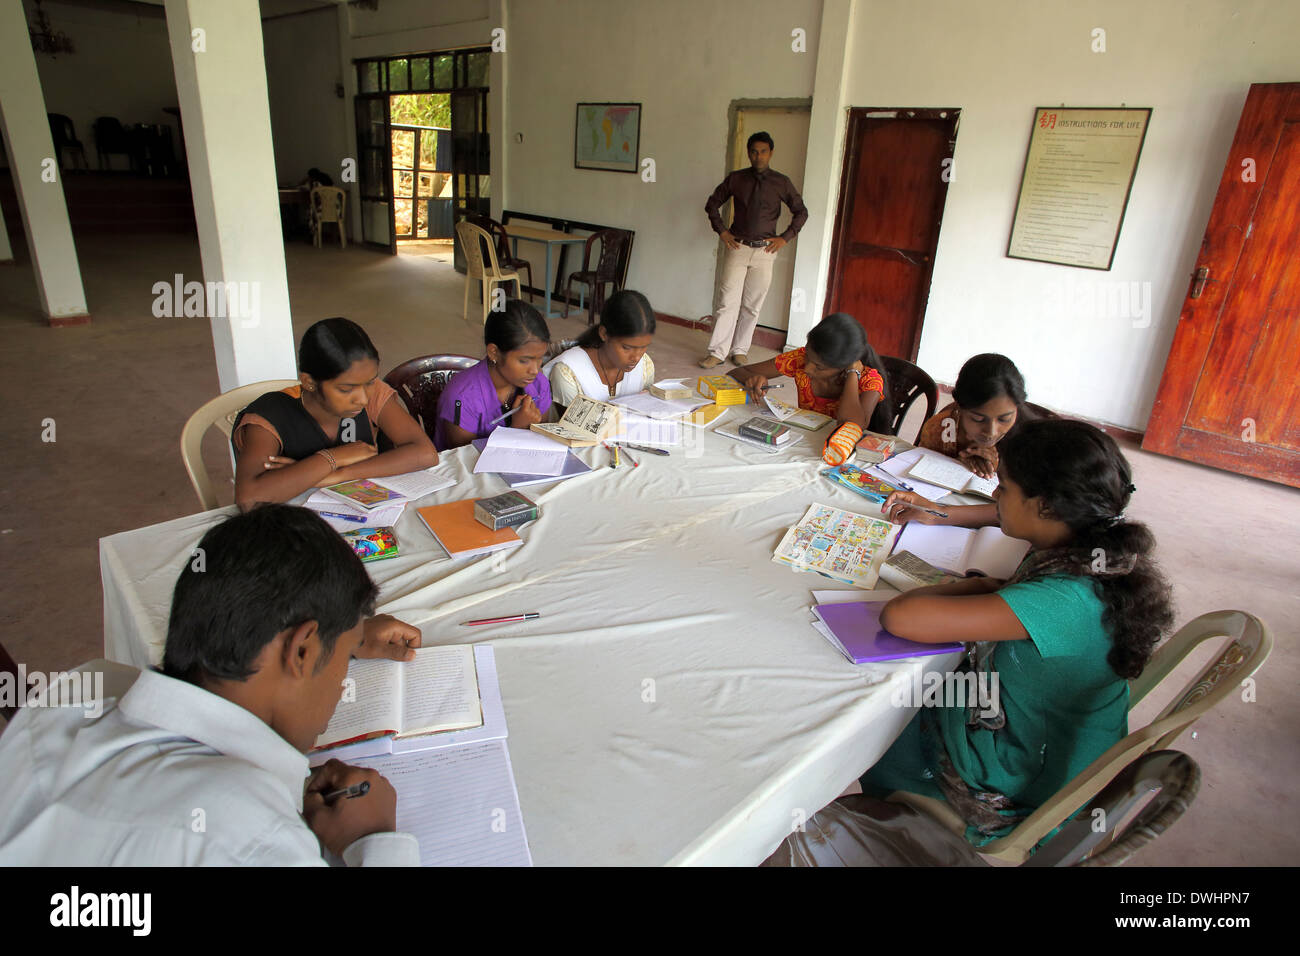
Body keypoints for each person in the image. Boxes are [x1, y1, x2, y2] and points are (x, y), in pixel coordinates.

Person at [0, 505, 427, 865]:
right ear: (301, 652)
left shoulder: (83, 690)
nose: (340, 687)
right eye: (343, 662)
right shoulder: (252, 837)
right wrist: (374, 840)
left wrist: (343, 638)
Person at [859, 419, 1174, 846]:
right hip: (1059, 737)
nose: (994, 494)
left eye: (1004, 487)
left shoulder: (1060, 600)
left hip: (1026, 779)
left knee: (877, 723)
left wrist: (979, 588)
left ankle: (896, 827)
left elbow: (901, 617)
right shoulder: (1090, 549)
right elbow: (1001, 515)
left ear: (1046, 506)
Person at [232, 318, 437, 509]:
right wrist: (333, 458)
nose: (363, 398)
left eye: (370, 382)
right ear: (309, 382)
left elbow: (425, 453)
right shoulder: (269, 416)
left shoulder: (373, 394)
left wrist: (335, 474)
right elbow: (249, 499)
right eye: (346, 389)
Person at [701, 131, 808, 368]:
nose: (758, 156)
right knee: (727, 302)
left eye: (763, 151)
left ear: (770, 153)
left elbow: (801, 212)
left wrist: (785, 238)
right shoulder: (736, 179)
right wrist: (723, 232)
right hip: (737, 246)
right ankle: (717, 352)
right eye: (754, 151)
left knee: (752, 304)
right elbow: (712, 204)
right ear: (748, 153)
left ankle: (740, 350)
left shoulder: (781, 182)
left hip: (765, 252)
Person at [435, 298, 553, 450]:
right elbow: (466, 459)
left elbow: (543, 440)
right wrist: (515, 431)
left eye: (540, 358)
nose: (535, 370)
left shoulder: (538, 384)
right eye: (524, 360)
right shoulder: (462, 398)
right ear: (494, 352)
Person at [917, 353, 1026, 479]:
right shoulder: (940, 430)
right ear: (959, 406)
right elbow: (923, 470)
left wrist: (998, 466)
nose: (991, 432)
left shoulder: (1029, 439)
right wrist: (958, 463)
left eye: (1004, 419)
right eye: (978, 419)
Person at [545, 290, 655, 414]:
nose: (636, 357)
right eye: (626, 348)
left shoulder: (645, 366)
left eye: (644, 347)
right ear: (604, 334)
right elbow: (570, 429)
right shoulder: (569, 373)